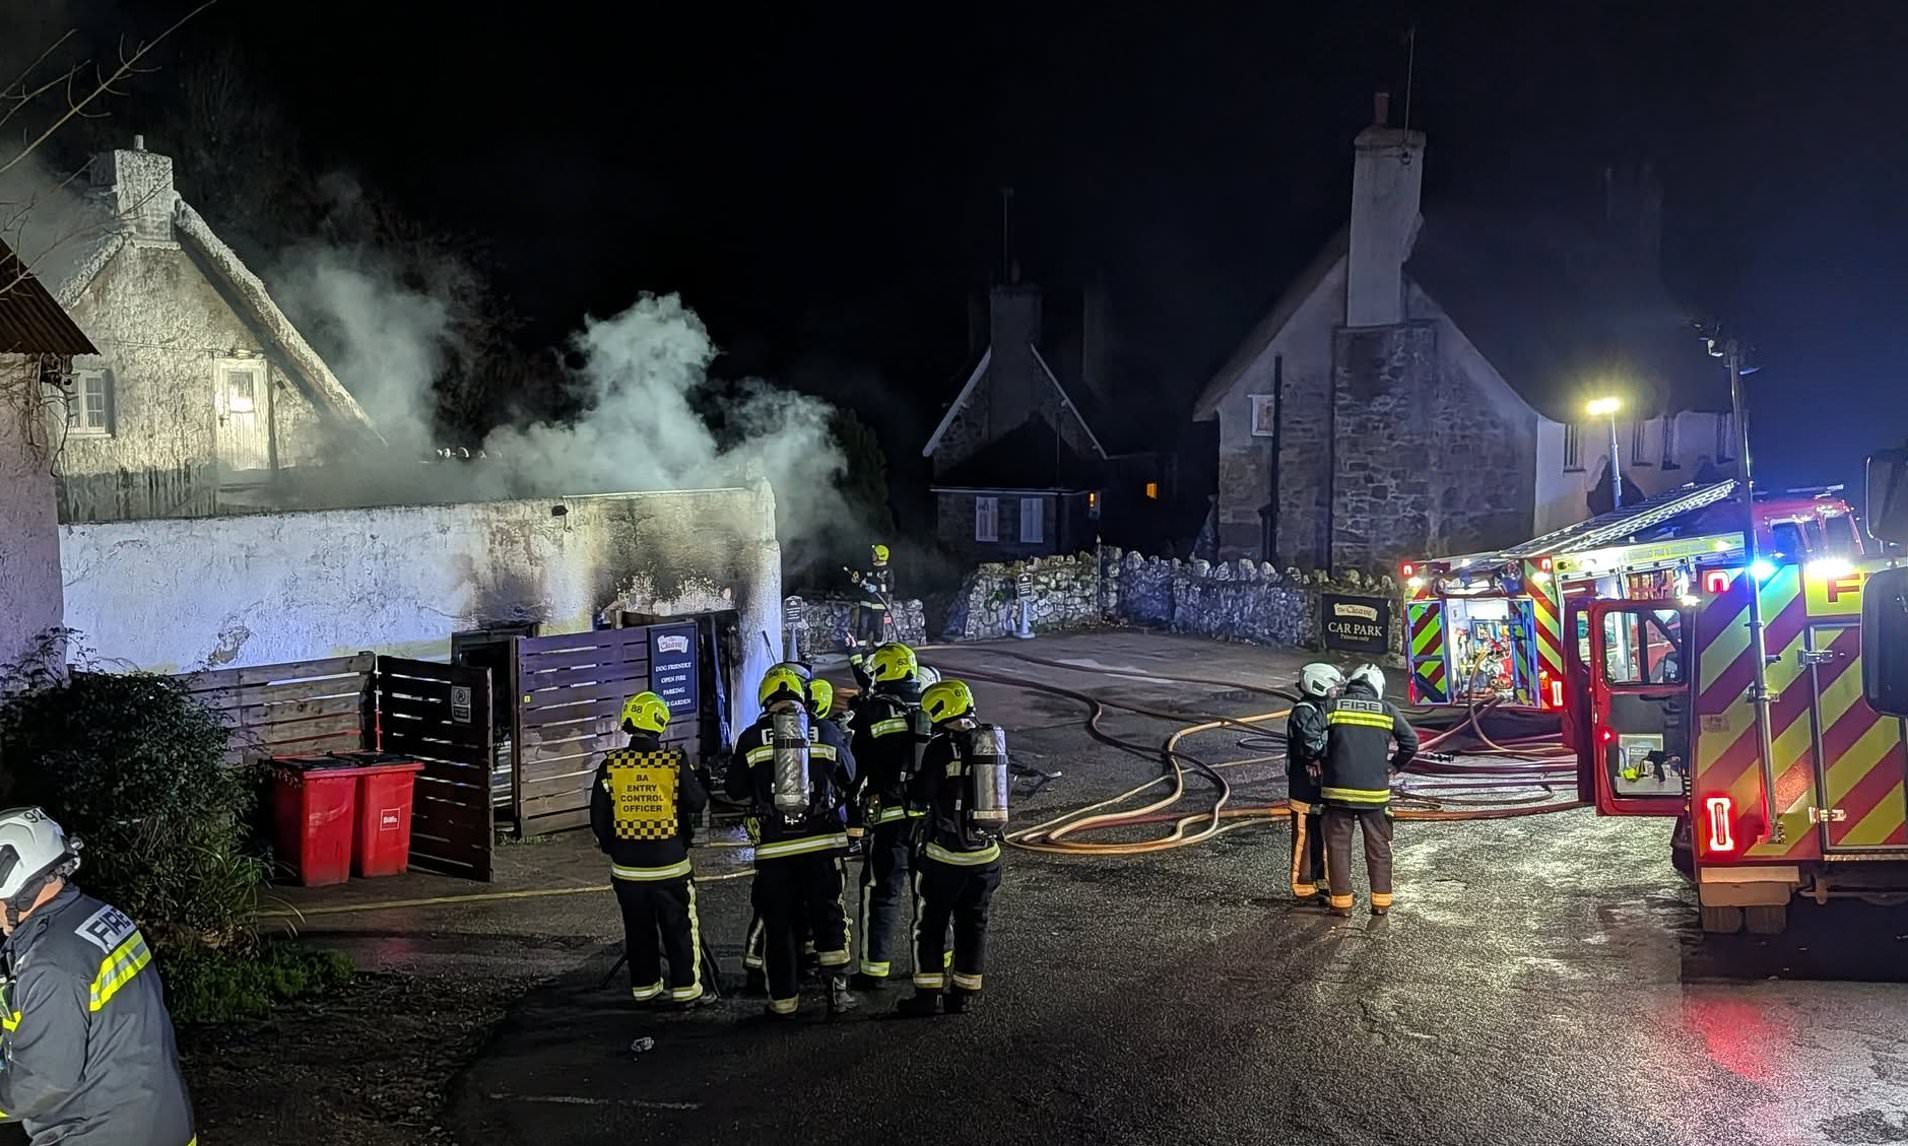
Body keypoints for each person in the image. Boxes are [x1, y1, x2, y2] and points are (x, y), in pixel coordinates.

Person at [0, 807, 195, 1145]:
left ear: (14, 880)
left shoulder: (50, 962)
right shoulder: (96, 917)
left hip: (100, 1132)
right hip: (159, 1119)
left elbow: (43, 1082)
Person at [726, 666, 859, 1018]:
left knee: (779, 925)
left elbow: (734, 790)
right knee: (829, 916)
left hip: (775, 851)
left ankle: (783, 1002)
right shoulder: (827, 730)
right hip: (823, 844)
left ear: (766, 698)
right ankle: (838, 994)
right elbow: (850, 775)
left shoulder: (752, 738)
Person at [590, 691, 710, 1007]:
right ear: (660, 723)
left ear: (629, 722)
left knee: (638, 930)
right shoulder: (672, 762)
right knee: (680, 927)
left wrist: (614, 848)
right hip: (670, 864)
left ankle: (645, 989)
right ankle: (686, 990)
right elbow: (697, 801)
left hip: (627, 869)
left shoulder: (611, 765)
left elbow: (598, 818)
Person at [898, 680, 1006, 1017]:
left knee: (931, 926)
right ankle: (963, 993)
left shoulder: (942, 747)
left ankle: (927, 997)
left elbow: (923, 795)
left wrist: (908, 785)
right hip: (986, 857)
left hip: (946, 859)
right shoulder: (991, 741)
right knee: (974, 924)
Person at [848, 642, 928, 989]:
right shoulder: (929, 705)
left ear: (882, 672)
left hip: (891, 819)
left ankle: (874, 971)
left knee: (880, 891)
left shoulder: (875, 711)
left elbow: (855, 767)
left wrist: (851, 808)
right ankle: (932, 970)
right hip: (930, 821)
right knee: (930, 898)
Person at [1320, 664, 1419, 917]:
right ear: (1377, 687)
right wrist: (1394, 765)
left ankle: (1341, 904)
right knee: (1378, 847)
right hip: (1374, 795)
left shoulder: (1333, 707)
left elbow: (1312, 737)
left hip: (1337, 791)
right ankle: (1381, 903)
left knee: (1338, 847)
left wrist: (1323, 761)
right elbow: (1411, 742)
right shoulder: (1387, 710)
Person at [1287, 663, 1343, 902]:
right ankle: (1303, 886)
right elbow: (1311, 746)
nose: (1336, 691)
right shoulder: (1303, 712)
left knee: (1324, 836)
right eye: (1333, 686)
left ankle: (1323, 883)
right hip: (1305, 788)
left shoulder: (1322, 708)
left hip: (1322, 786)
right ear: (1318, 683)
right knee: (1305, 837)